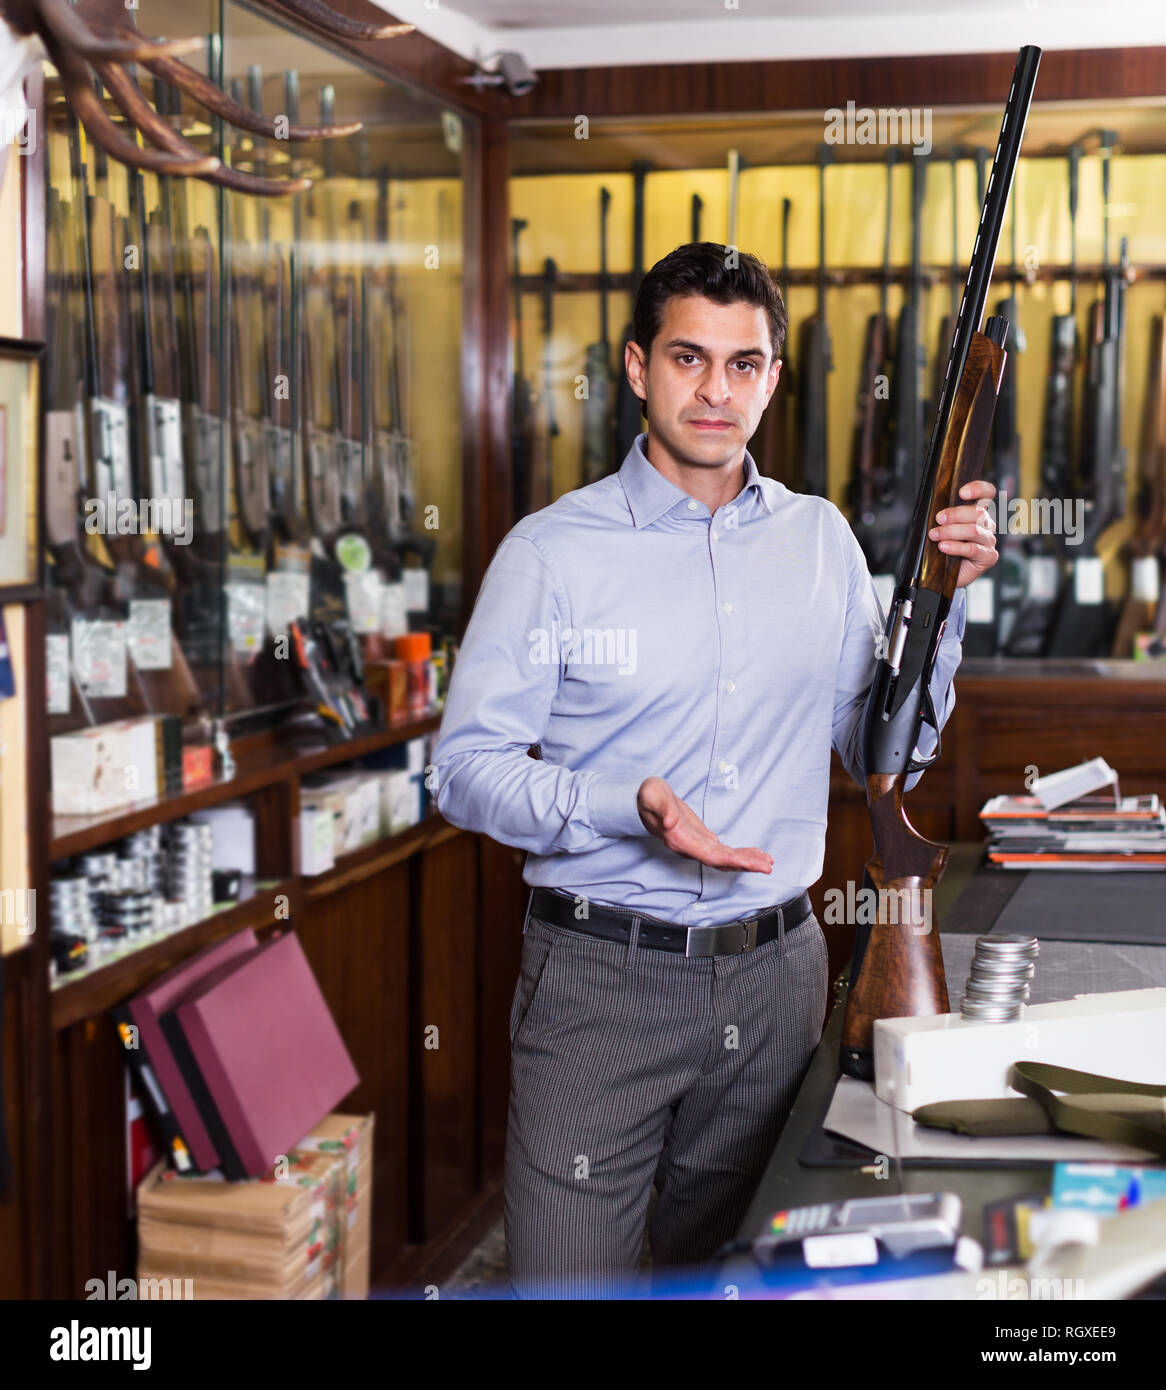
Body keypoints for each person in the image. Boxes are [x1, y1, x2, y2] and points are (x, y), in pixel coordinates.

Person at [430, 241, 998, 1299]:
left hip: (775, 978)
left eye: (743, 365)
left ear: (772, 380)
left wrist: (944, 603)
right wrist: (622, 804)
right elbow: (462, 772)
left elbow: (884, 751)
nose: (715, 390)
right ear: (638, 368)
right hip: (598, 983)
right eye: (689, 359)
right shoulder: (550, 553)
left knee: (738, 1283)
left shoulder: (820, 542)